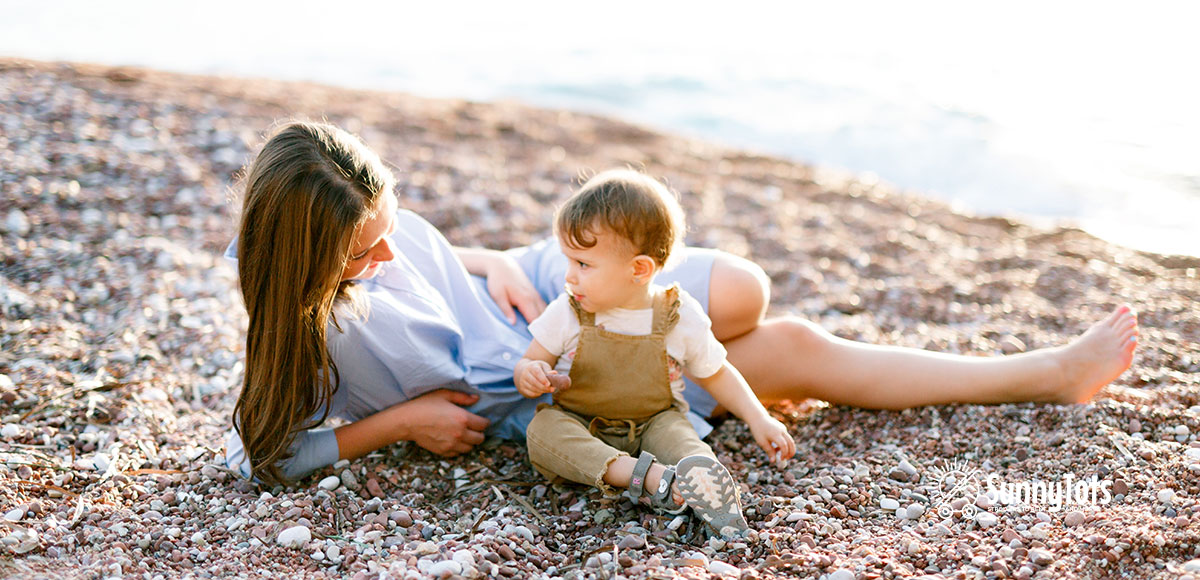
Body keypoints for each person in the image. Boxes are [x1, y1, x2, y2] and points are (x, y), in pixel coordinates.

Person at [225, 120, 1140, 486]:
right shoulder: (299, 326)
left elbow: (412, 251)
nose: (386, 249)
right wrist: (406, 423)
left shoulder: (352, 224)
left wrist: (483, 256)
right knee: (786, 345)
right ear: (304, 264)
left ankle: (715, 373)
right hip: (540, 371)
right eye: (362, 251)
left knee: (744, 290)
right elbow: (262, 454)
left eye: (389, 222)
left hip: (534, 284)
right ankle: (1045, 375)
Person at [514, 170, 796, 535]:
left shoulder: (678, 314)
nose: (570, 276)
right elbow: (529, 361)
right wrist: (531, 375)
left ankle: (707, 489)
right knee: (543, 430)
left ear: (640, 269)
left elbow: (716, 371)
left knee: (684, 441)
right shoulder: (568, 311)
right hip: (582, 422)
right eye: (568, 261)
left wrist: (759, 418)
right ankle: (647, 477)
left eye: (583, 264)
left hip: (655, 421)